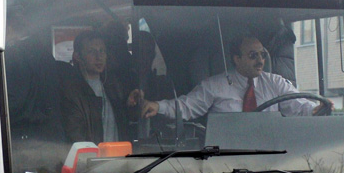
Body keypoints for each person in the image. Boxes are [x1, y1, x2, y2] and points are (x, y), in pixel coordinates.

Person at [140, 35, 332, 120]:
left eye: (262, 54)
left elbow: (299, 106)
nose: (260, 60)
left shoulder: (276, 83)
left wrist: (316, 109)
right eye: (252, 55)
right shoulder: (214, 85)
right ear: (237, 59)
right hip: (225, 159)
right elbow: (186, 106)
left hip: (273, 157)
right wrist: (158, 107)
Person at [59, 30, 138, 144]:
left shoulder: (114, 86)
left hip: (120, 157)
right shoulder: (72, 92)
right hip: (92, 159)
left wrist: (129, 104)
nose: (99, 57)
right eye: (91, 51)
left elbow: (127, 122)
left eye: (102, 51)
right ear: (77, 56)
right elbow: (76, 136)